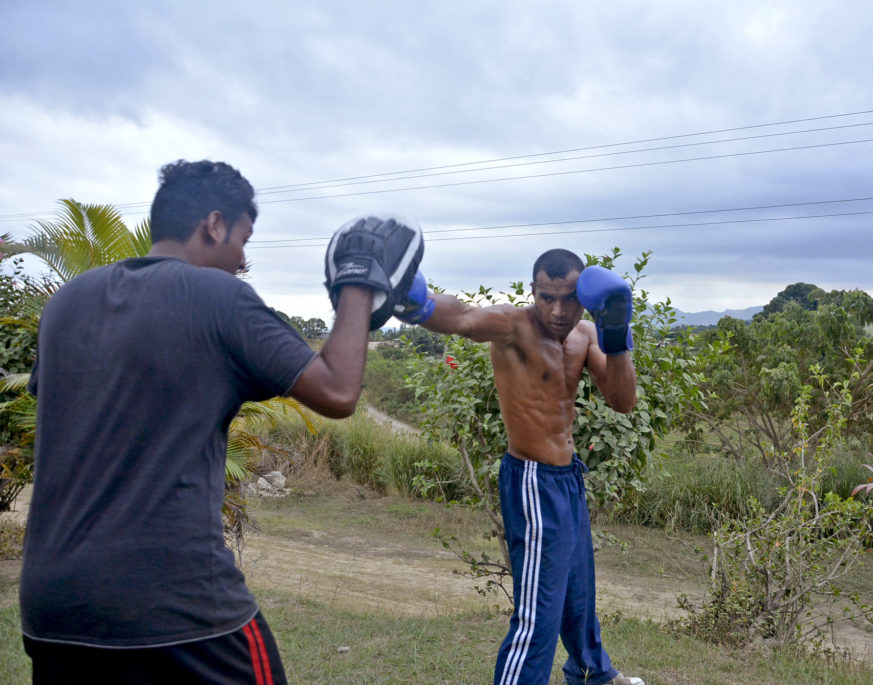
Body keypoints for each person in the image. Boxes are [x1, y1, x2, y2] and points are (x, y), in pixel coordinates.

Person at [19, 159, 422, 684]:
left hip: (53, 607)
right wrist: (358, 282)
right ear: (213, 224)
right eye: (243, 238)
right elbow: (339, 391)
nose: (243, 259)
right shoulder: (218, 297)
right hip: (175, 603)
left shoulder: (66, 303)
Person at [397, 249, 645, 685]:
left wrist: (616, 332)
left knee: (578, 591)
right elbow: (463, 318)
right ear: (533, 291)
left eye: (568, 299)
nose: (557, 311)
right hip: (531, 481)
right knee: (538, 612)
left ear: (585, 299)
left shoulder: (587, 335)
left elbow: (624, 402)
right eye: (547, 297)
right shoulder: (513, 326)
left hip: (568, 479)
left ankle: (593, 673)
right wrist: (418, 302)